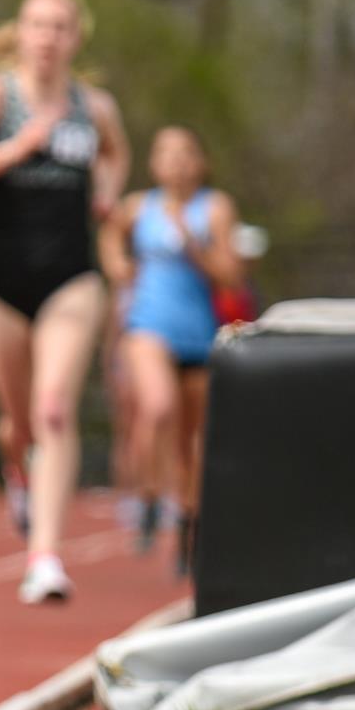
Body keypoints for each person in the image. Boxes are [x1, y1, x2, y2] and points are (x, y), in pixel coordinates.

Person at [0, 0, 129, 604]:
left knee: (55, 410)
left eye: (60, 26)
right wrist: (14, 148)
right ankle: (18, 469)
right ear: (21, 33)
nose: (47, 37)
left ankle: (45, 558)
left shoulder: (94, 108)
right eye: (37, 25)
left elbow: (117, 155)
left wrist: (108, 193)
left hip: (72, 276)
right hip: (0, 282)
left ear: (76, 37)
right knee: (19, 423)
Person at [101, 126, 243, 573]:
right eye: (167, 153)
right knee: (158, 408)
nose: (177, 162)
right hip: (147, 326)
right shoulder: (138, 207)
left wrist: (194, 246)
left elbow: (232, 275)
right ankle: (146, 496)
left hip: (197, 333)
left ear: (201, 162)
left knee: (190, 442)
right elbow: (109, 235)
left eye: (186, 153)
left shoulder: (214, 208)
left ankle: (186, 523)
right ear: (154, 163)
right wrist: (119, 266)